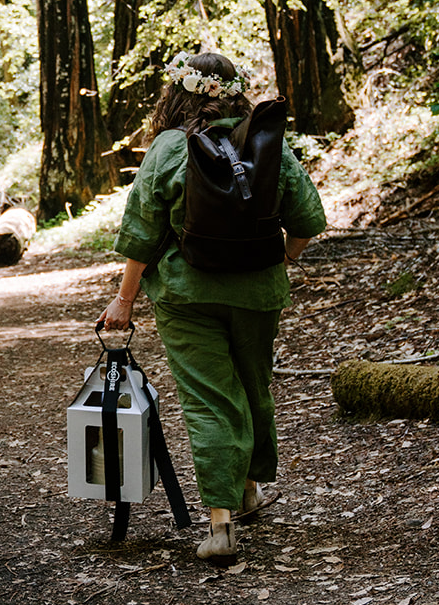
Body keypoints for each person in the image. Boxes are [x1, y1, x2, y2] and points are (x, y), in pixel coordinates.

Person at [97, 50, 326, 560]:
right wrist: (281, 260)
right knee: (251, 386)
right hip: (258, 294)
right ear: (234, 91)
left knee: (208, 400)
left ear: (179, 93)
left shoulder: (168, 147)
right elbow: (309, 218)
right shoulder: (267, 143)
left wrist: (123, 301)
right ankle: (248, 488)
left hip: (187, 296)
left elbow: (141, 235)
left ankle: (221, 527)